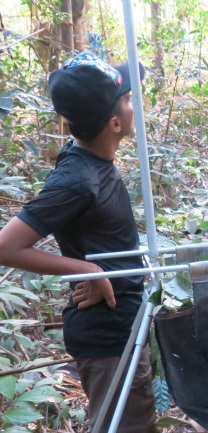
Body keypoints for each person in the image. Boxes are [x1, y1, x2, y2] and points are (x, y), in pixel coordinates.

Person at [0, 51, 154, 433]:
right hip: (108, 335)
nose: (135, 105)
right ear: (116, 122)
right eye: (128, 99)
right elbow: (6, 246)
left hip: (123, 324)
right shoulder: (78, 180)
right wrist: (87, 269)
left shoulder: (92, 163)